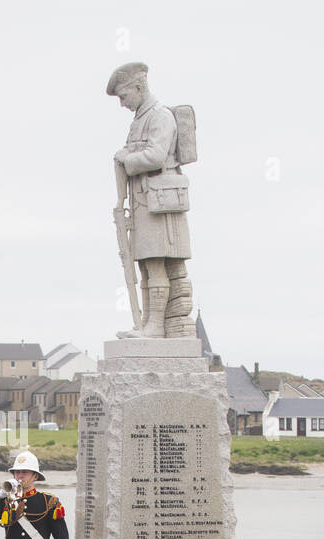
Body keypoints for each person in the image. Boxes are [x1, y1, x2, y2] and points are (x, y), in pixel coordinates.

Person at [108, 61, 194, 338]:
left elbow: (156, 156)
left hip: (160, 204)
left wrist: (126, 159)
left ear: (138, 86)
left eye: (124, 96)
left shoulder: (159, 116)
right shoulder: (139, 120)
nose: (122, 103)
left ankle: (156, 326)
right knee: (146, 266)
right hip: (143, 202)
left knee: (155, 263)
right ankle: (148, 323)